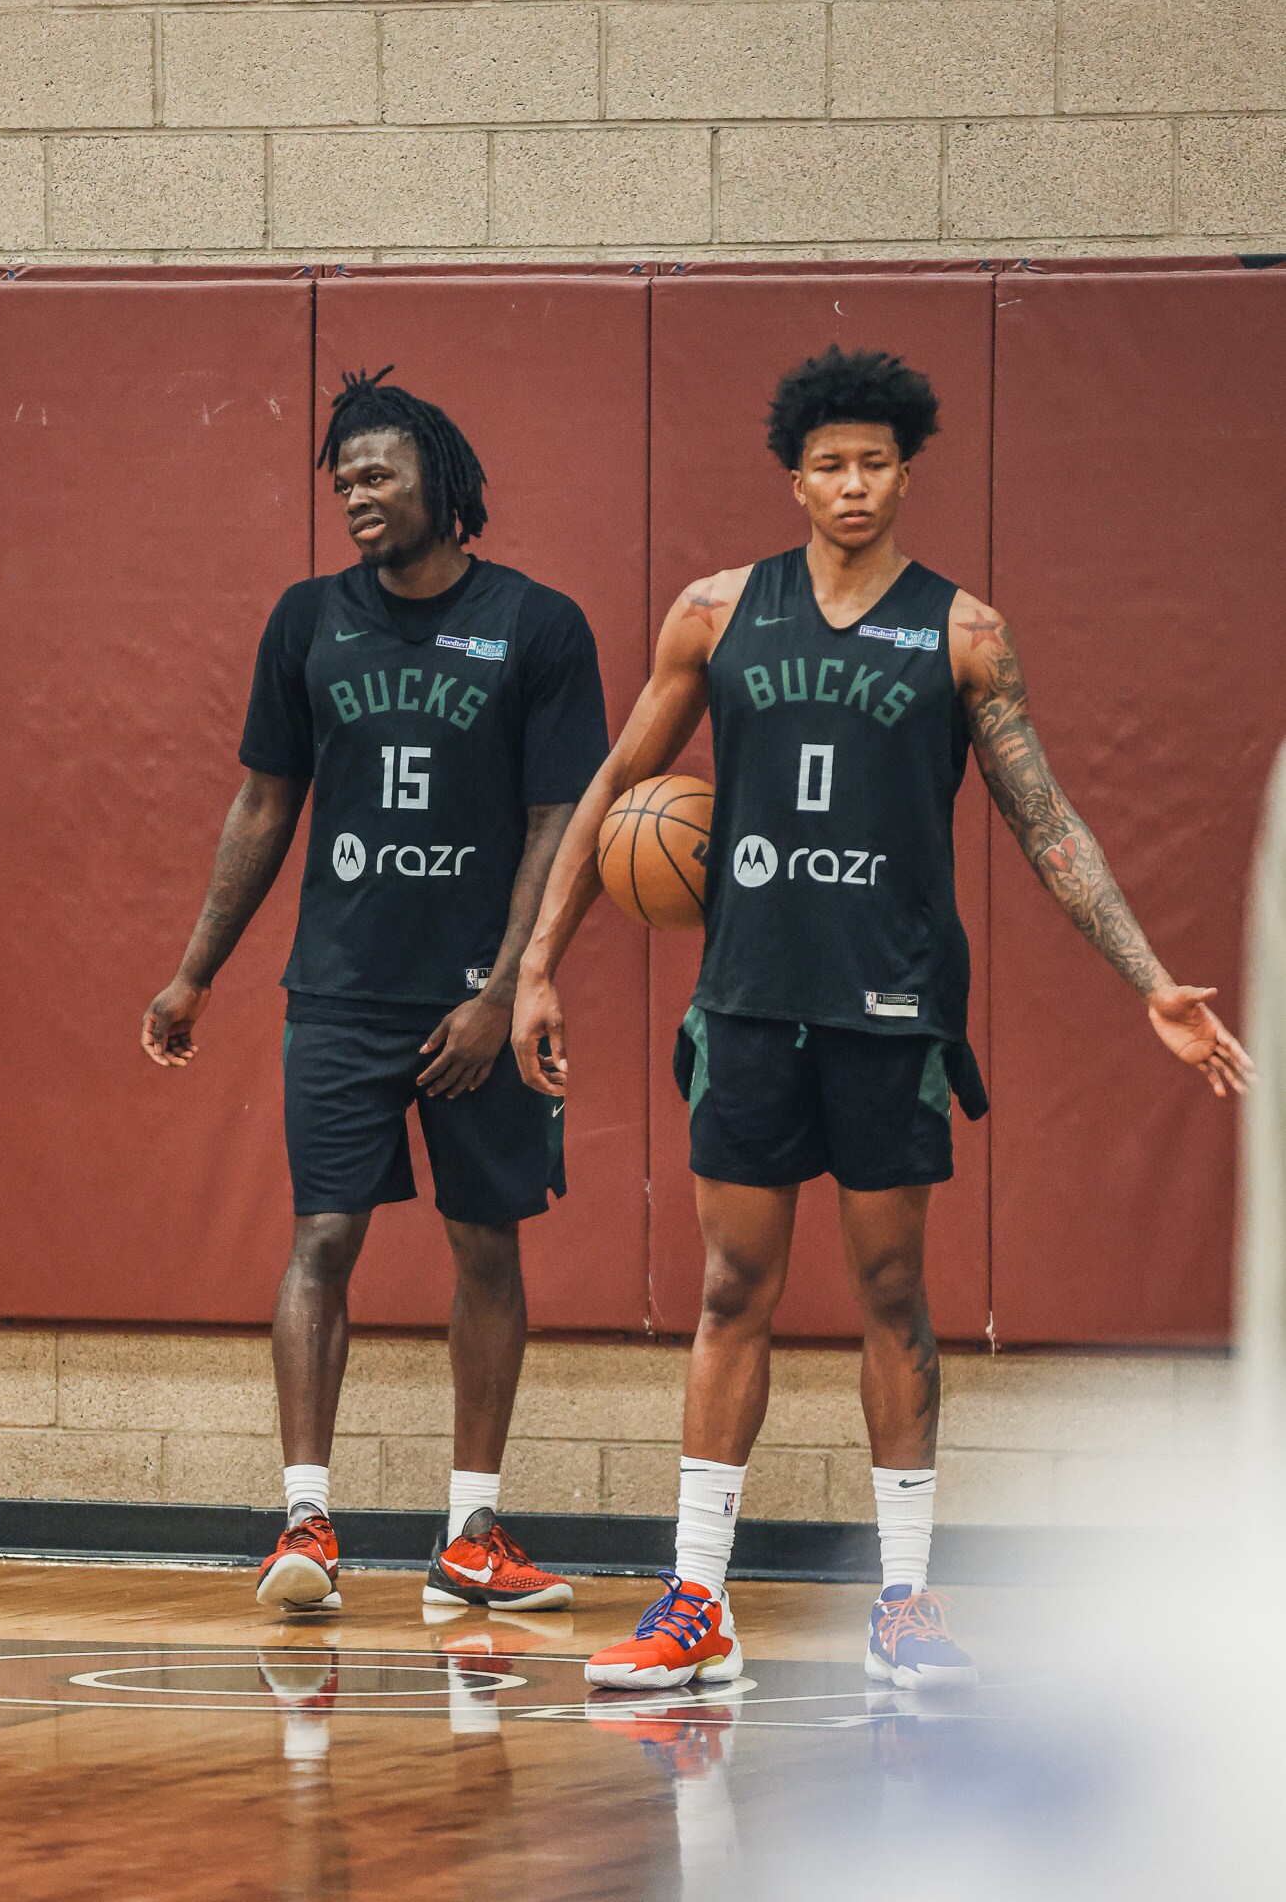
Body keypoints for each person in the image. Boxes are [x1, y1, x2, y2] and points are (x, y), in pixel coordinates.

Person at [511, 344, 1253, 1689]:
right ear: (793, 479)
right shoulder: (714, 613)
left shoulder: (962, 632)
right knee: (732, 1289)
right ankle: (695, 1604)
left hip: (890, 1011)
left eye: (873, 462)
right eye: (827, 464)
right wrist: (536, 965)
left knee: (894, 1296)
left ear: (906, 472)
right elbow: (616, 784)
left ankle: (905, 1601)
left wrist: (1147, 977)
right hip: (745, 1003)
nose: (851, 484)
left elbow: (1043, 818)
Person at [142, 367, 608, 1615]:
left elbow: (562, 822)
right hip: (340, 992)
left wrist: (504, 992)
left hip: (474, 999)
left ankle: (471, 1536)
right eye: (341, 477)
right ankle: (305, 1521)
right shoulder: (307, 621)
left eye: (377, 472)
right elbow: (263, 804)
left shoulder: (539, 625)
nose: (354, 492)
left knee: (483, 1243)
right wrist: (195, 970)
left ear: (441, 484)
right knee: (323, 1236)